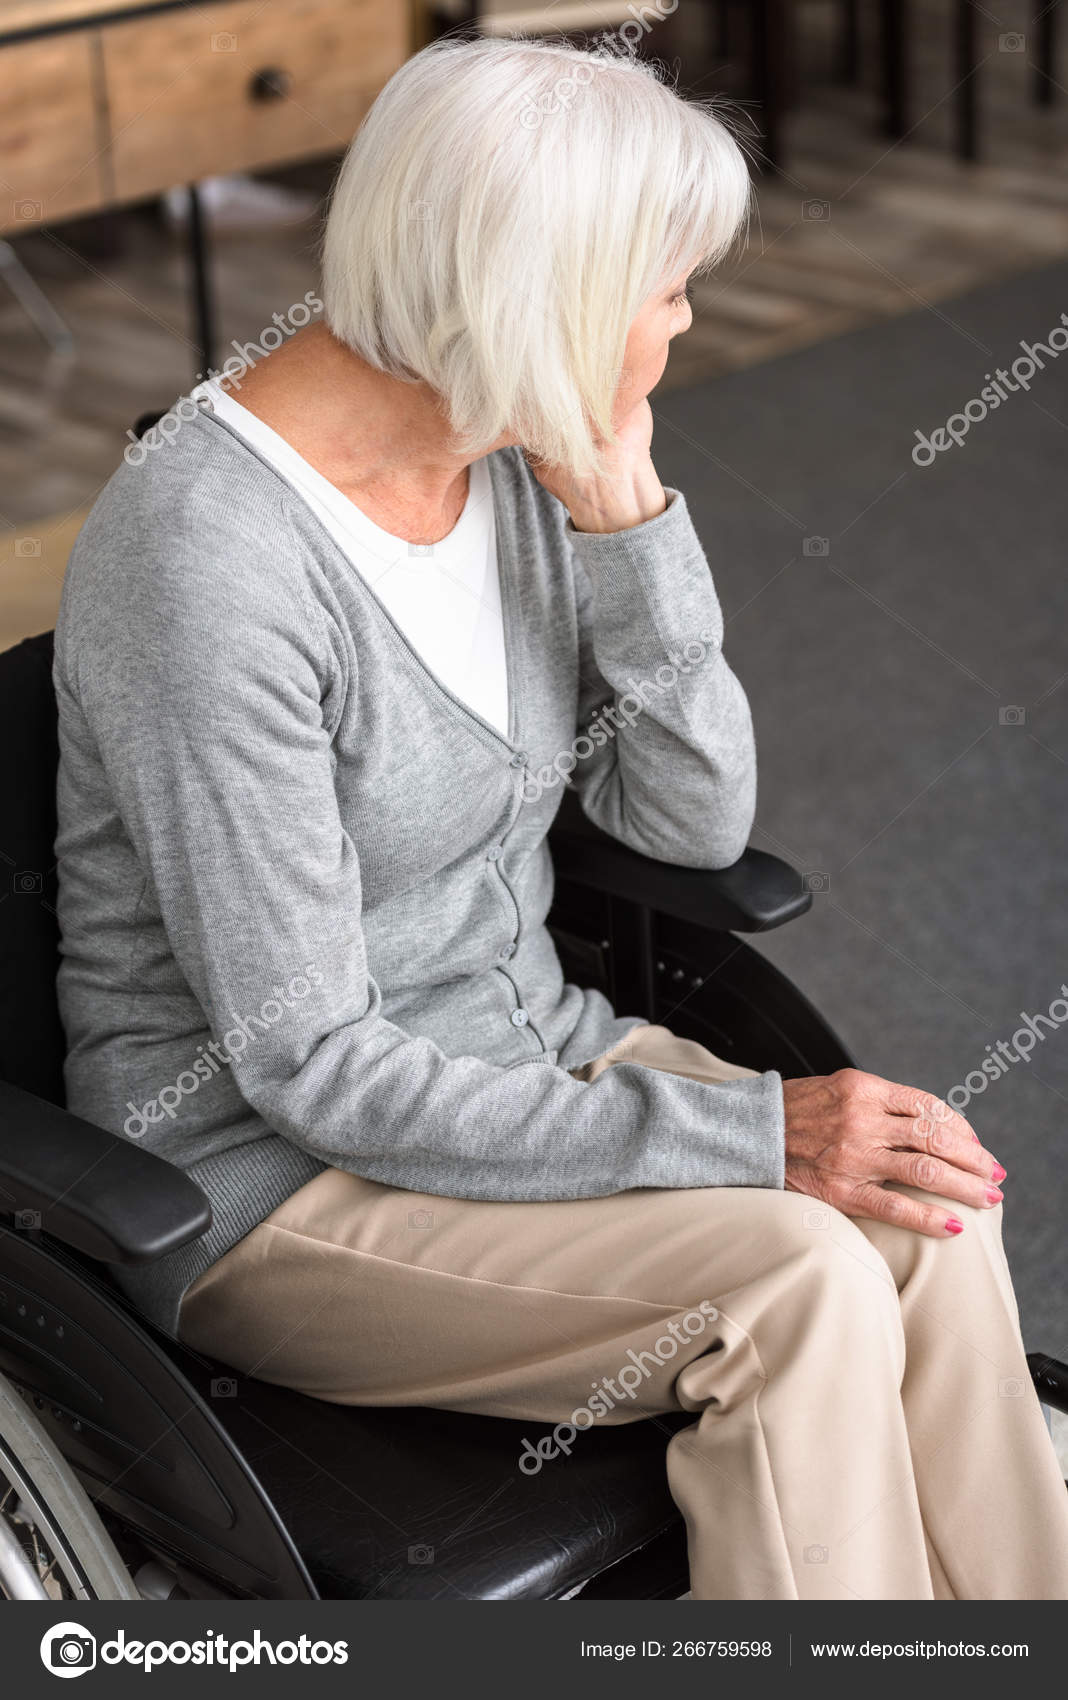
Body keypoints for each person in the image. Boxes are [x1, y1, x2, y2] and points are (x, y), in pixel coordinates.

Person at [54, 36, 1068, 1600]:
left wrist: (628, 523)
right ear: (540, 289)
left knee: (923, 1209)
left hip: (530, 1052)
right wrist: (748, 1134)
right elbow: (308, 1064)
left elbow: (692, 820)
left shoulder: (509, 454)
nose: (678, 321)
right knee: (793, 1279)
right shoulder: (210, 562)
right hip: (271, 1182)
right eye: (659, 287)